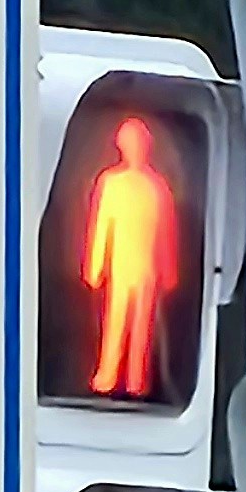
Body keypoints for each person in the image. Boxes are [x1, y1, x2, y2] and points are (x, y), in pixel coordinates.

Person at [81, 115, 180, 397]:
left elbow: (166, 232)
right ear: (121, 146)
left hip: (146, 268)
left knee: (142, 326)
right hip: (121, 266)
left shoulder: (158, 186)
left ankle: (137, 379)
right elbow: (101, 226)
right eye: (129, 143)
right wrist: (95, 265)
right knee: (115, 321)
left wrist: (169, 269)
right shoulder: (111, 182)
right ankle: (107, 375)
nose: (134, 148)